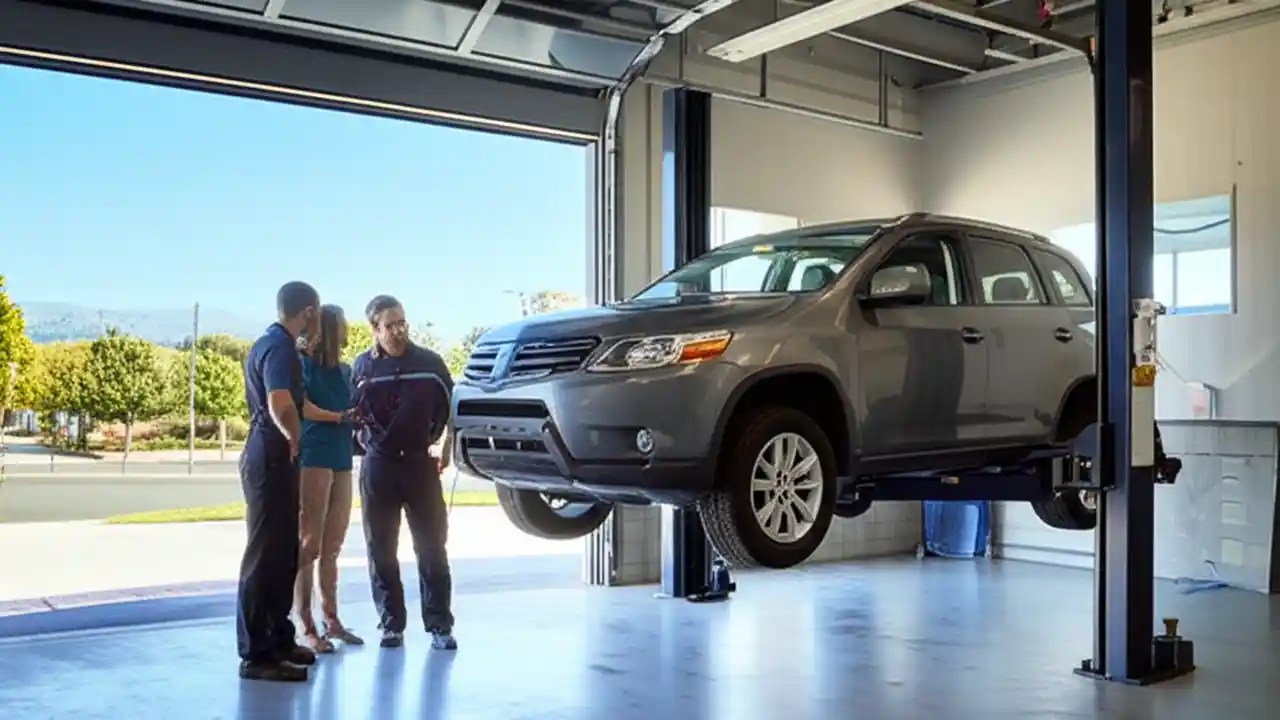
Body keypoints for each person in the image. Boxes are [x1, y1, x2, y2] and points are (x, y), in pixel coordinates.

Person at [350, 294, 457, 650]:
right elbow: (352, 414)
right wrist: (362, 444)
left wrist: (447, 446)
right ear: (375, 329)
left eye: (402, 323)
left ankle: (440, 625)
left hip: (419, 464)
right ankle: (391, 624)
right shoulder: (362, 367)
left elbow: (453, 408)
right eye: (390, 325)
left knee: (432, 547)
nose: (398, 331)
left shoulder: (429, 363)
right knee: (380, 548)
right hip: (378, 466)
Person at [237, 281, 321, 683]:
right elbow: (280, 401)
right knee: (265, 554)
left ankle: (279, 638)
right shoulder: (281, 348)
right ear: (308, 312)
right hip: (271, 452)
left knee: (284, 550)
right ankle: (256, 654)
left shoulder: (271, 343)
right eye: (317, 314)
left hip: (272, 452)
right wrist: (294, 437)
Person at [293, 304, 364, 653]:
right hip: (314, 455)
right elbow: (302, 407)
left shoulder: (346, 371)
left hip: (341, 457)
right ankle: (305, 625)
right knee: (309, 545)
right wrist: (339, 417)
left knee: (333, 546)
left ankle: (331, 620)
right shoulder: (302, 365)